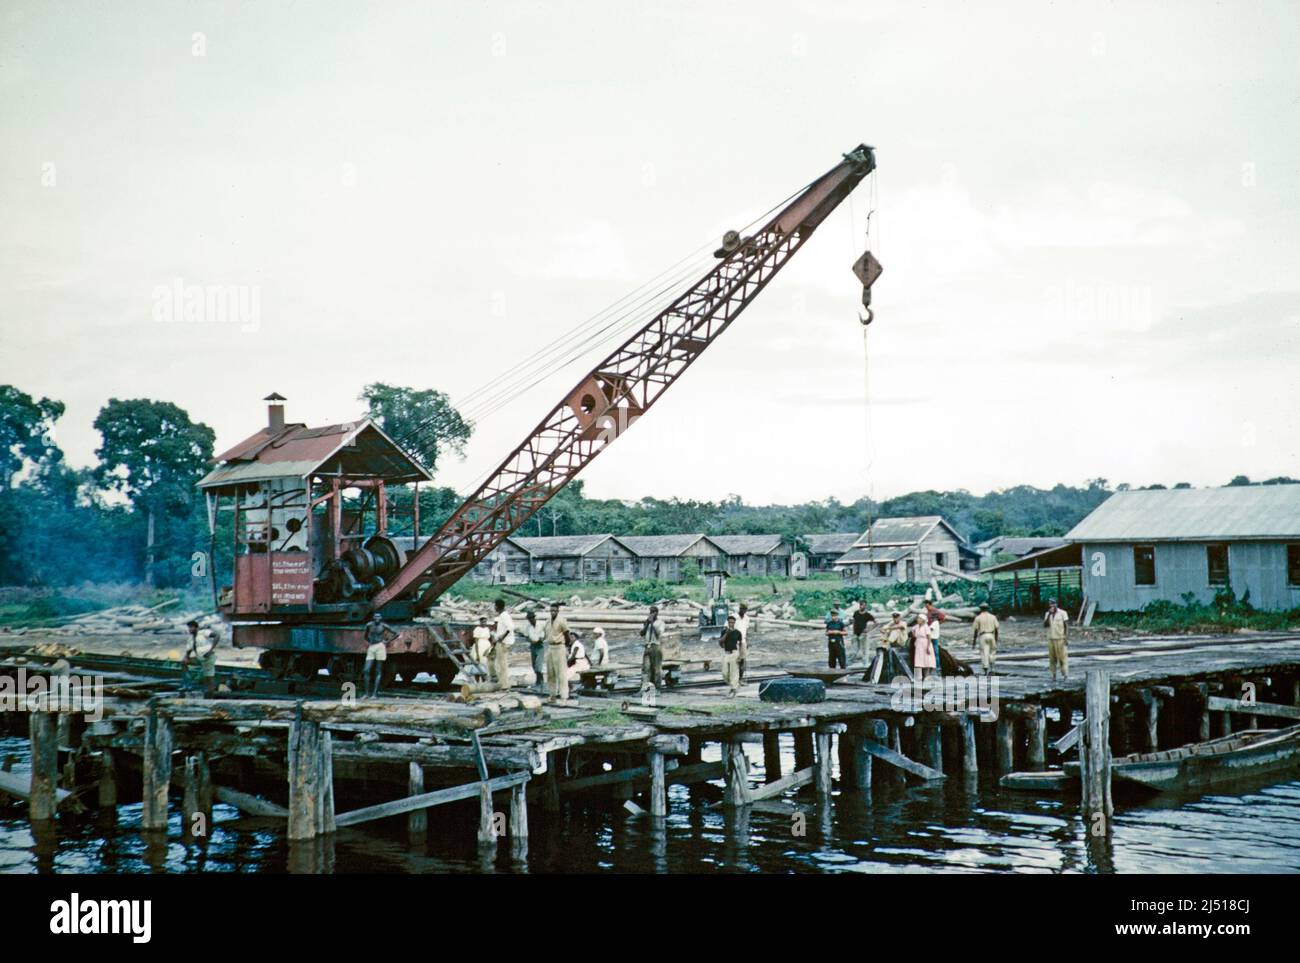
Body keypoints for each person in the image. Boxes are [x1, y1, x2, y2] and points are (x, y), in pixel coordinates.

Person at [362, 612, 398, 698]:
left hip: (380, 646)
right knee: (366, 670)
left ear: (381, 618)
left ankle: (374, 694)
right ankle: (366, 693)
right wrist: (370, 641)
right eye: (376, 616)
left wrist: (386, 641)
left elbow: (396, 633)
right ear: (373, 618)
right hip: (372, 646)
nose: (377, 618)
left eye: (379, 616)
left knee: (378, 670)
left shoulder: (384, 626)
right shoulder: (369, 625)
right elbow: (365, 636)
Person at [183, 620, 219, 697]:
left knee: (209, 676)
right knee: (183, 662)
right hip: (200, 658)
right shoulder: (190, 639)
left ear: (196, 627)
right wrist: (186, 657)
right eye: (189, 628)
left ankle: (212, 693)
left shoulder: (203, 633)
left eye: (191, 627)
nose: (190, 629)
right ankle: (188, 681)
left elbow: (217, 635)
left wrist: (211, 650)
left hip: (208, 657)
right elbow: (188, 651)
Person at [544, 602, 572, 702]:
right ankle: (553, 695)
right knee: (550, 673)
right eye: (551, 610)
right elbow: (545, 634)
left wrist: (567, 647)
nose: (552, 612)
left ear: (558, 611)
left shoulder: (561, 621)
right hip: (550, 647)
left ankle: (564, 697)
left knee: (561, 673)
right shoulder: (547, 621)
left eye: (554, 610)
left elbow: (567, 634)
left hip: (559, 647)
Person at [489, 598, 515, 691]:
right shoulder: (501, 616)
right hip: (500, 642)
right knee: (499, 663)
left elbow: (511, 627)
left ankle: (504, 685)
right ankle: (502, 683)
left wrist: (502, 637)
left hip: (504, 643)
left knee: (502, 664)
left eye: (494, 606)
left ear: (496, 606)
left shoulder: (504, 615)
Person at [639, 605, 666, 691]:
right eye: (650, 612)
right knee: (646, 668)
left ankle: (657, 687)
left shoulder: (660, 623)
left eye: (653, 612)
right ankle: (645, 687)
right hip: (647, 646)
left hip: (656, 646)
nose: (651, 614)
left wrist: (652, 624)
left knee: (656, 668)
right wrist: (647, 624)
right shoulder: (646, 622)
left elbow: (658, 634)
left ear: (656, 613)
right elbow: (641, 633)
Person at [1044, 597, 1070, 680]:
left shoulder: (1063, 613)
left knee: (1062, 658)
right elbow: (1045, 625)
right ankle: (1053, 675)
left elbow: (1066, 626)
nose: (1052, 605)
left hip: (1060, 638)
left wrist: (1066, 638)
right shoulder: (1047, 613)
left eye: (1053, 603)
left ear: (1056, 604)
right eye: (1050, 604)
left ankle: (1065, 674)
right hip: (1051, 638)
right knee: (1052, 658)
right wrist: (1049, 615)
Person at [971, 603, 1000, 675]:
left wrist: (974, 641)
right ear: (987, 608)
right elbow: (996, 629)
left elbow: (976, 630)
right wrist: (996, 639)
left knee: (984, 653)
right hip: (991, 635)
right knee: (992, 652)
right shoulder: (993, 617)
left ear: (980, 609)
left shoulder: (978, 618)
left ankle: (986, 669)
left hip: (983, 636)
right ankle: (992, 669)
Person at [718, 615, 742, 696]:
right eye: (730, 622)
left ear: (734, 623)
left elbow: (740, 644)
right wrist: (726, 633)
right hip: (726, 653)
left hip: (734, 653)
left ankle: (734, 688)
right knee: (725, 673)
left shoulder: (738, 632)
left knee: (734, 672)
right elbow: (720, 642)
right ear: (728, 623)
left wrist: (740, 655)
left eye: (732, 622)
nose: (731, 624)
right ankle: (732, 685)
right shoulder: (724, 632)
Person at [522, 609, 547, 689]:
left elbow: (544, 634)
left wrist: (541, 640)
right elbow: (526, 636)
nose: (530, 620)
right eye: (529, 619)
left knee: (538, 664)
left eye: (532, 618)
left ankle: (539, 681)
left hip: (540, 646)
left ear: (534, 618)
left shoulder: (541, 625)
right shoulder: (528, 627)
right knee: (534, 664)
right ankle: (540, 680)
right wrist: (530, 641)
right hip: (533, 646)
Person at [850, 600, 877, 665]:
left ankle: (865, 664)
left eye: (863, 605)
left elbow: (876, 623)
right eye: (861, 605)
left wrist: (868, 629)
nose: (862, 606)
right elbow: (854, 621)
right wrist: (853, 631)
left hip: (863, 634)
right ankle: (849, 663)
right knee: (854, 650)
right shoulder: (856, 613)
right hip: (856, 633)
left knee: (865, 650)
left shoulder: (867, 614)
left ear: (865, 606)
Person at [911, 613, 935, 681]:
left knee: (926, 661)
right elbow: (912, 630)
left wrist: (928, 647)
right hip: (918, 644)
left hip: (925, 643)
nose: (918, 620)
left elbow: (929, 637)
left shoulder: (926, 627)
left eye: (919, 618)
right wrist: (914, 635)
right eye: (918, 618)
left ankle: (926, 677)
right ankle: (918, 677)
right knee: (918, 661)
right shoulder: (916, 626)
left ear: (923, 620)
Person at [735, 603, 751, 681]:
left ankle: (740, 678)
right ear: (739, 609)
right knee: (734, 660)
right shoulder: (734, 617)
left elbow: (746, 630)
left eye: (745, 609)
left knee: (742, 660)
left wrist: (747, 641)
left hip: (743, 641)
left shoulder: (747, 618)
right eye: (742, 609)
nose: (743, 611)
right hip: (734, 642)